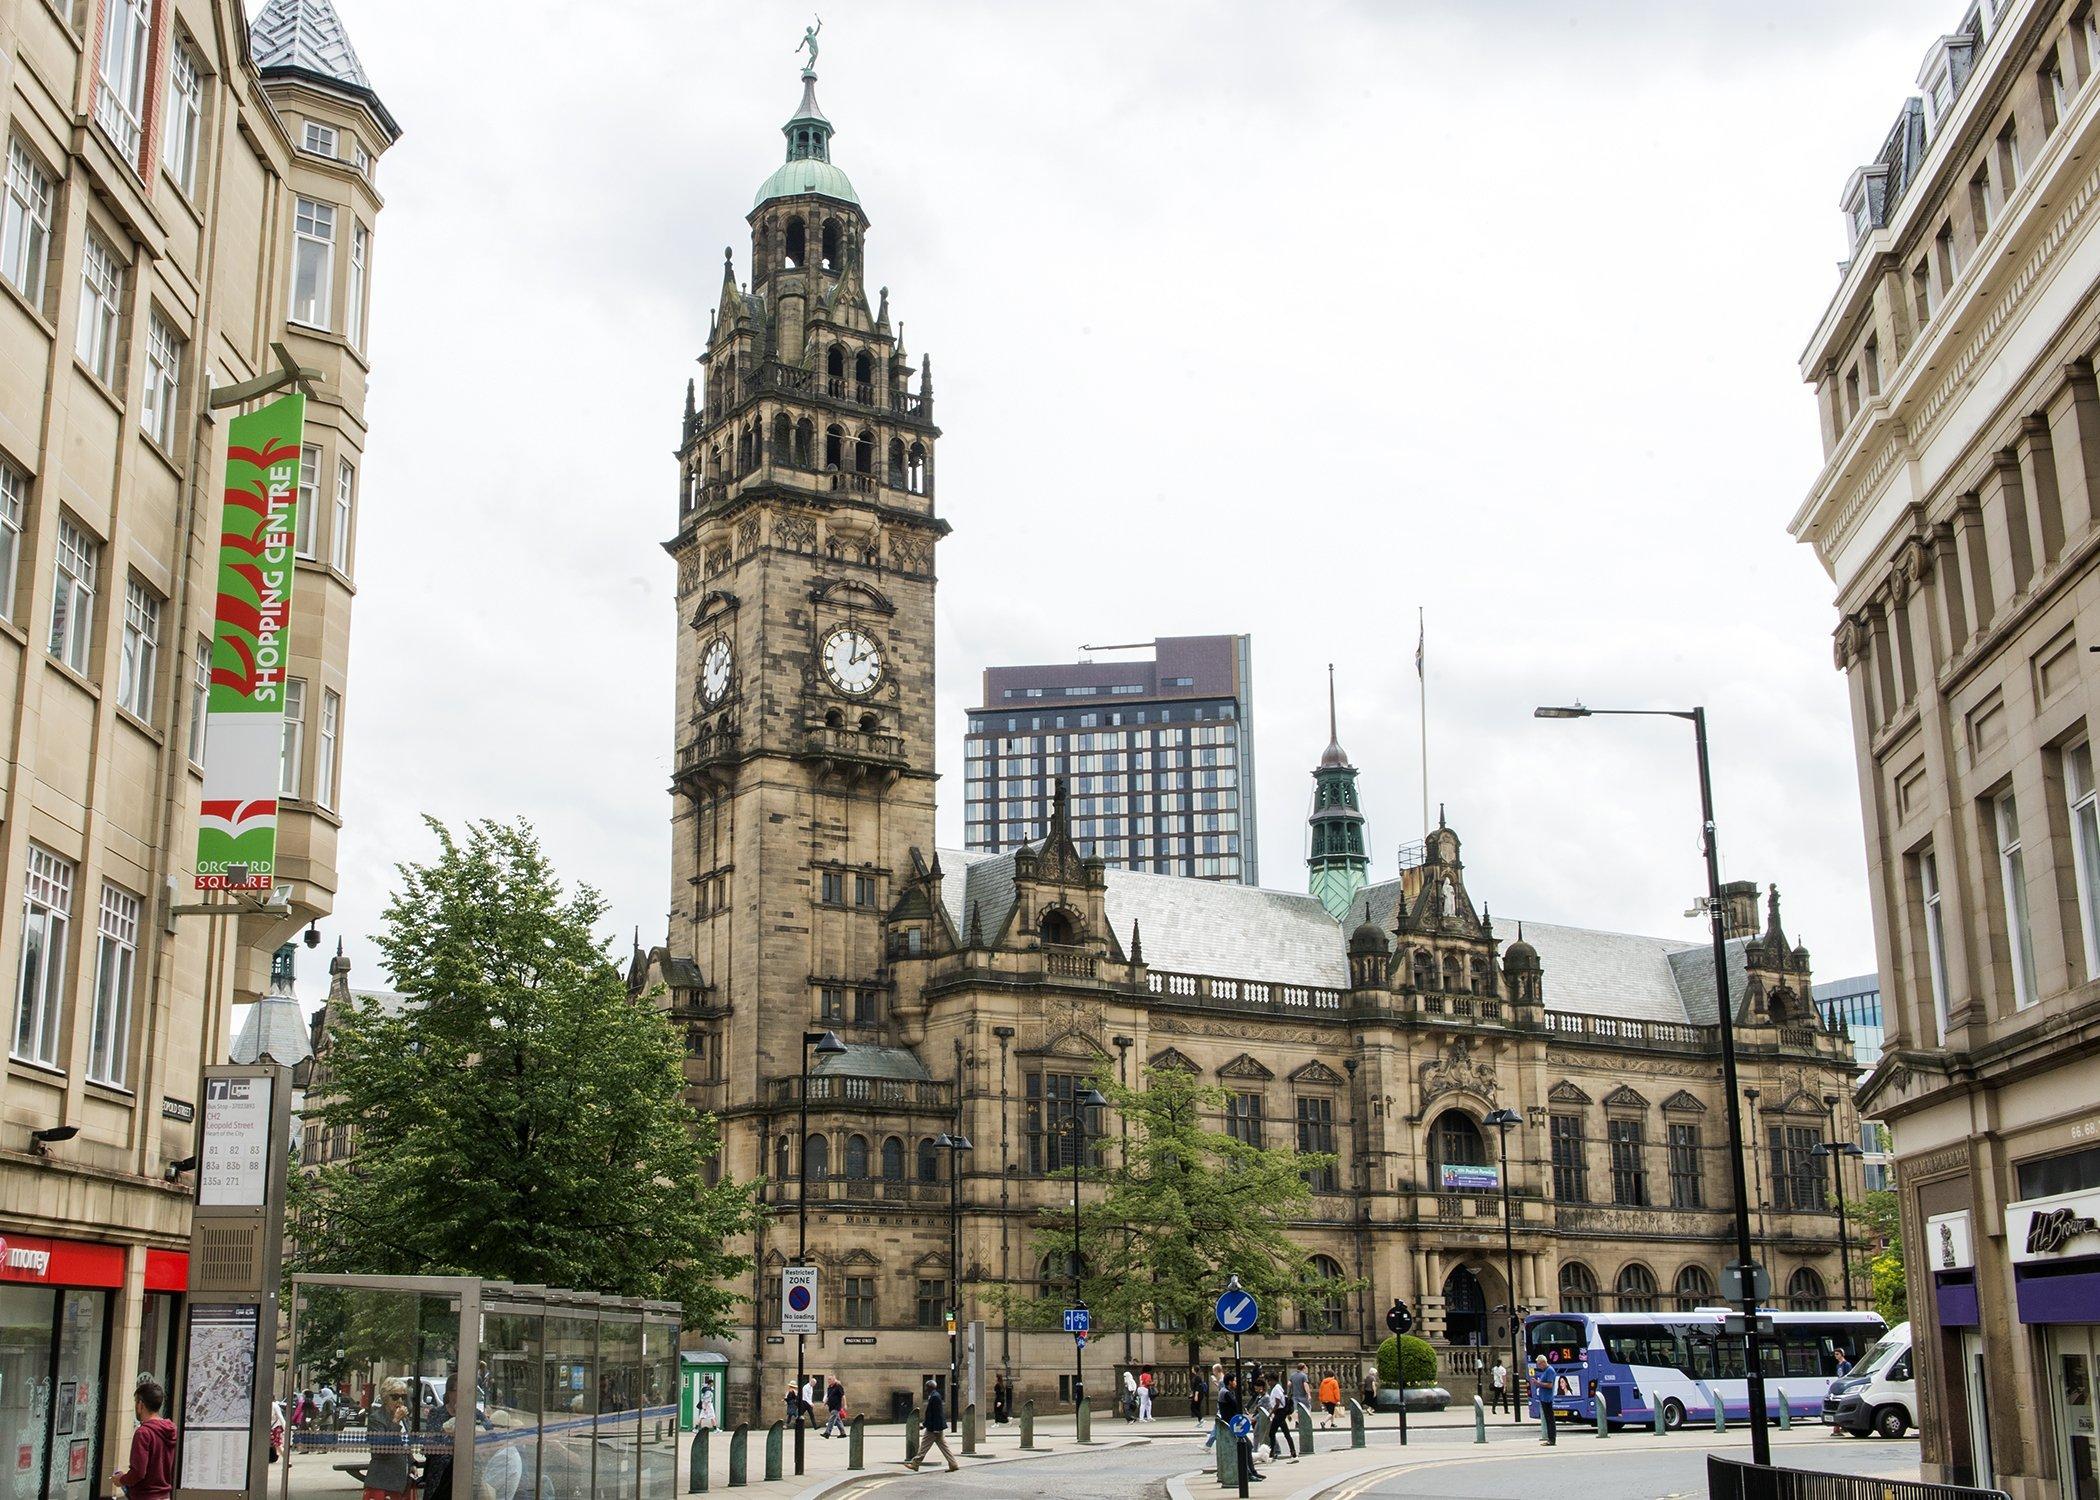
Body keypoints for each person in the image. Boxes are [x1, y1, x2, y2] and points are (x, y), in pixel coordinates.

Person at [110, 1377, 177, 1500]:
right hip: (164, 1495)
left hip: (145, 1495)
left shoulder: (143, 1433)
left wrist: (121, 1479)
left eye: (136, 1402)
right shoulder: (170, 1429)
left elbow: (139, 1472)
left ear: (141, 1404)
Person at [362, 1379, 416, 1500]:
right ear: (386, 1398)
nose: (400, 1401)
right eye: (395, 1397)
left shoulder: (404, 1418)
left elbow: (405, 1444)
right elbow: (381, 1448)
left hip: (402, 1482)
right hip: (383, 1482)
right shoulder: (376, 1418)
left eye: (403, 1397)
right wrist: (395, 1421)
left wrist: (411, 1463)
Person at [904, 1378, 958, 1473]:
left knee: (924, 1447)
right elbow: (931, 1414)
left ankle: (915, 1464)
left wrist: (935, 1428)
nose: (925, 1388)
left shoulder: (935, 1397)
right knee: (944, 1447)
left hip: (934, 1428)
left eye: (926, 1386)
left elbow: (937, 1414)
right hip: (935, 1427)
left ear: (929, 1387)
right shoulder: (934, 1395)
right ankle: (953, 1464)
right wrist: (924, 1425)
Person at [1217, 1374, 1262, 1484]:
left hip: (1234, 1425)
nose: (1236, 1383)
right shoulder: (1226, 1393)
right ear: (1230, 1382)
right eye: (1235, 1381)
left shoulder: (1225, 1392)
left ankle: (1252, 1471)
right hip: (1233, 1426)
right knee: (1245, 1447)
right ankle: (1248, 1473)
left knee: (1248, 1446)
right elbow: (1236, 1405)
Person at [1265, 1376, 1295, 1460]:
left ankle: (1272, 1452)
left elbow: (1278, 1403)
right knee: (1286, 1432)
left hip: (1279, 1413)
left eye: (1270, 1381)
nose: (1269, 1383)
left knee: (1272, 1433)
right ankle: (1292, 1451)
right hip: (1281, 1412)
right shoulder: (1278, 1388)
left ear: (1274, 1381)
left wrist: (1270, 1414)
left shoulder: (1276, 1389)